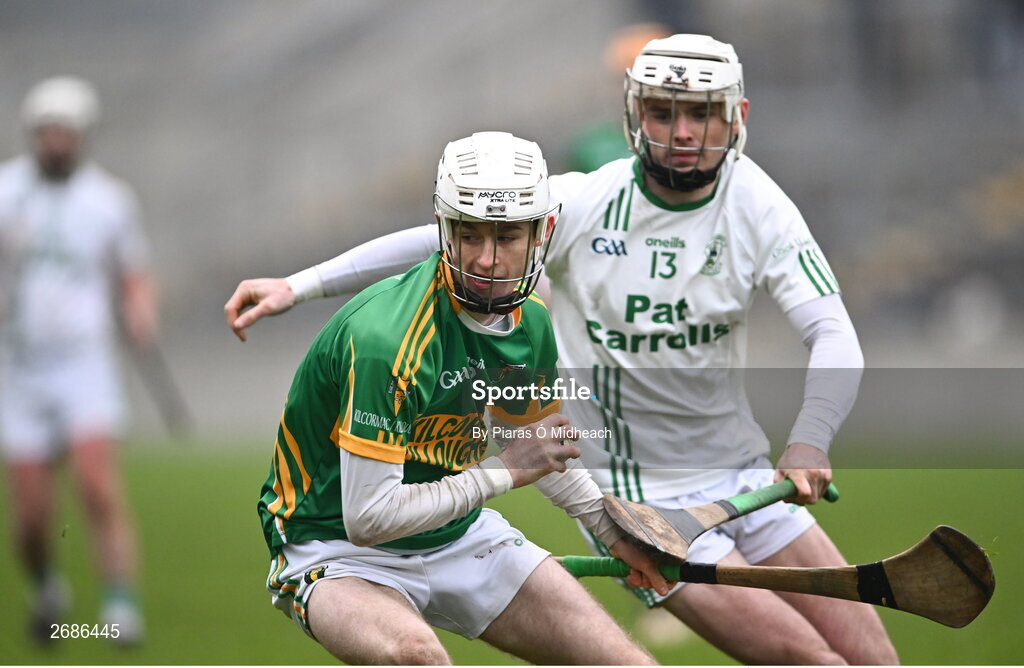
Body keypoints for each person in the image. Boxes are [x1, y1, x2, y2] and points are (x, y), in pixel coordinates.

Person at [226, 36, 899, 665]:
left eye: (701, 113)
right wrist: (301, 285)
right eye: (663, 112)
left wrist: (807, 438)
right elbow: (374, 515)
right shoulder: (399, 329)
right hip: (375, 542)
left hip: (706, 479)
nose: (684, 131)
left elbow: (535, 442)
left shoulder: (541, 312)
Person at [253, 131, 666, 664]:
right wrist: (507, 472)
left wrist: (611, 529)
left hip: (460, 536)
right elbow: (370, 518)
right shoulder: (386, 341)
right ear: (444, 230)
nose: (488, 260)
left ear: (544, 232)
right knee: (416, 656)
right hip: (337, 549)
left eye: (508, 237)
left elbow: (534, 441)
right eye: (470, 236)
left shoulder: (531, 321)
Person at [0, 76, 153, 645]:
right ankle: (46, 589)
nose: (56, 142)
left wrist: (139, 311)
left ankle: (119, 606)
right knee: (32, 519)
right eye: (47, 132)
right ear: (34, 135)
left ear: (82, 136)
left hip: (84, 363)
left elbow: (132, 274)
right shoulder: (5, 192)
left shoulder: (109, 200)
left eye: (66, 132)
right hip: (20, 367)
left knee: (96, 485)